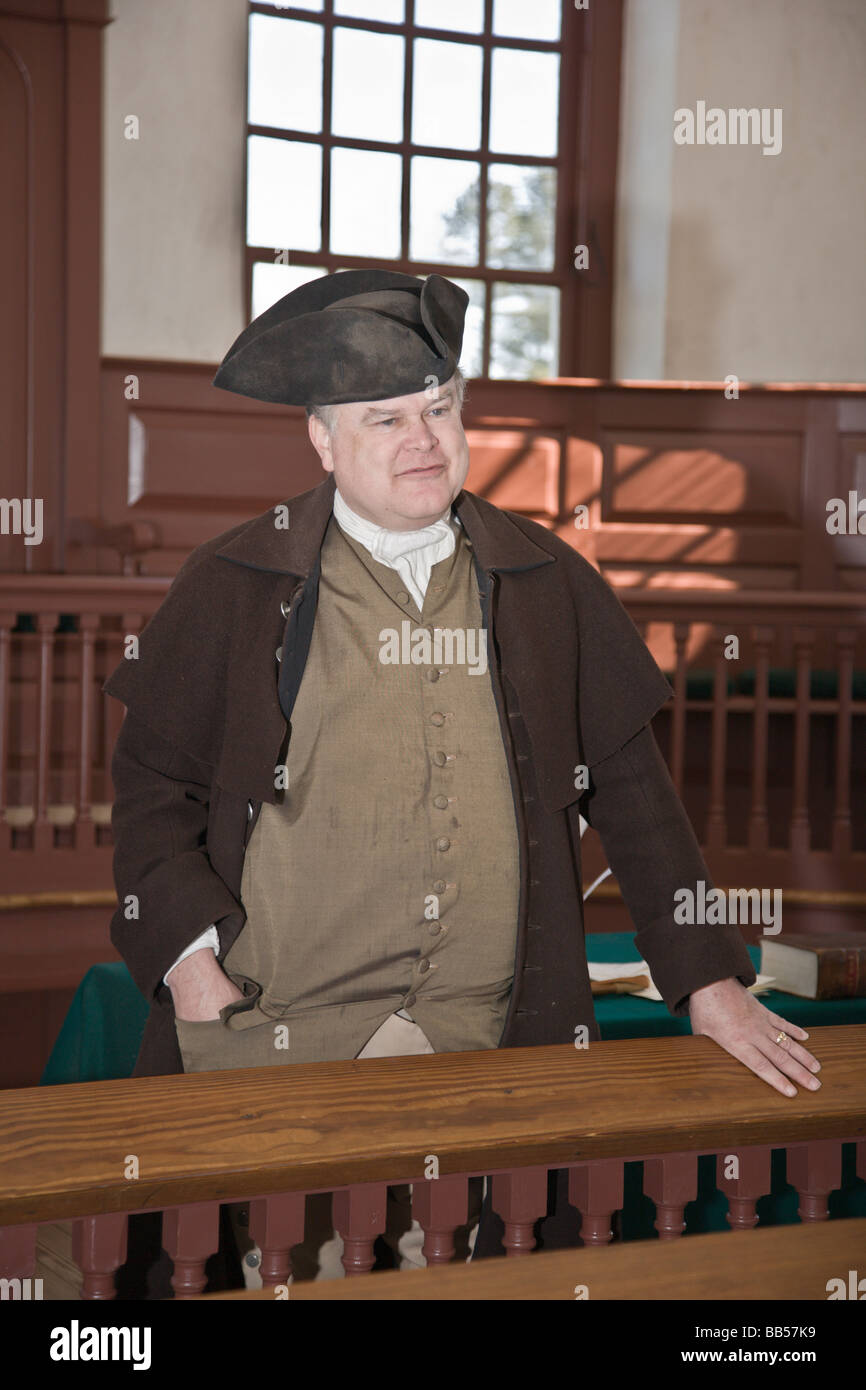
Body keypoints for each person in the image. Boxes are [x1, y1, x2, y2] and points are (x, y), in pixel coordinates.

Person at [104, 269, 821, 1283]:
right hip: (277, 1021)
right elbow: (148, 790)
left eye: (440, 408)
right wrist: (190, 966)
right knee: (273, 1268)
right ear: (321, 441)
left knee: (483, 1273)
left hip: (488, 1025)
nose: (422, 441)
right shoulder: (235, 581)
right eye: (385, 417)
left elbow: (637, 799)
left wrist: (706, 979)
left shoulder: (543, 580)